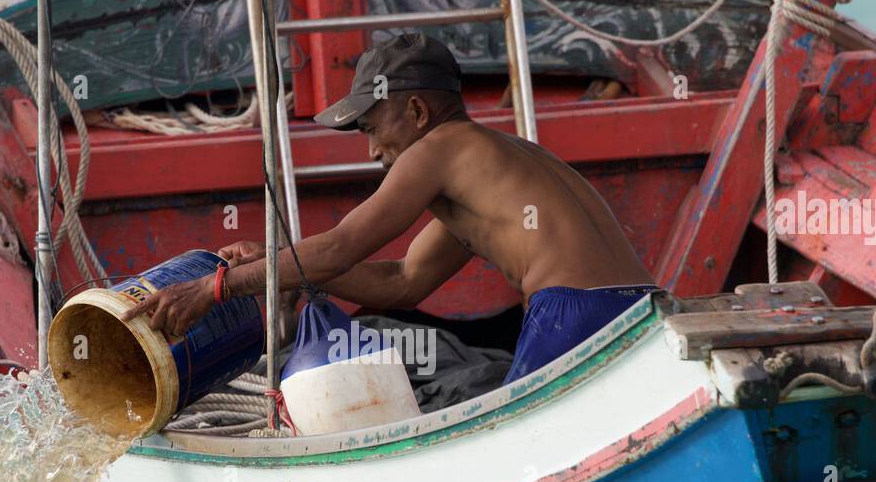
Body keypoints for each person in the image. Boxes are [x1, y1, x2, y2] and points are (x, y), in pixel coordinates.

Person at [122, 32, 659, 384]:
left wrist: (214, 288)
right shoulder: (496, 163)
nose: (373, 151)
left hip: (573, 314)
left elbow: (338, 247)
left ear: (419, 110)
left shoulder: (435, 151)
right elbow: (401, 280)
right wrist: (277, 263)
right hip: (644, 306)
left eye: (374, 128)